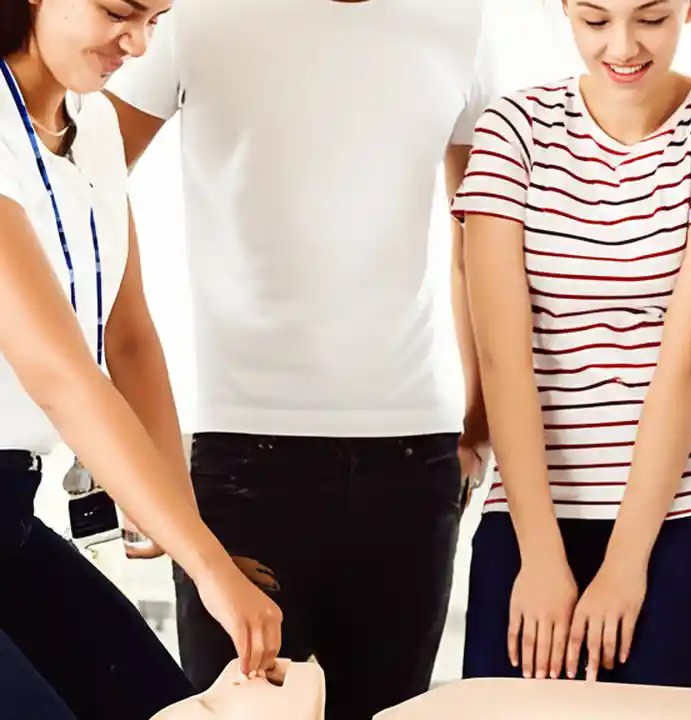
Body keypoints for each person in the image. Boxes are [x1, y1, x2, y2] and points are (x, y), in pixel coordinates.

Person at [102, 1, 495, 717]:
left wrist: (480, 417)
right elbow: (84, 182)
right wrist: (124, 433)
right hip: (243, 461)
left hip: (413, 461)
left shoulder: (459, 21)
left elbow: (481, 237)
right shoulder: (194, 16)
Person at [453, 0, 691, 689]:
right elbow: (503, 355)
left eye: (650, 19)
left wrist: (627, 563)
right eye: (595, 21)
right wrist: (541, 557)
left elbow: (687, 361)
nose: (622, 47)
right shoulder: (513, 128)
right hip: (533, 507)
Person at [0, 1, 282, 718]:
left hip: (10, 511)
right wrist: (208, 567)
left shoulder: (93, 124)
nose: (140, 44)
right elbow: (60, 374)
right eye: (119, 12)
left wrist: (189, 540)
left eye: (156, 18)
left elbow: (128, 338)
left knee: (157, 702)